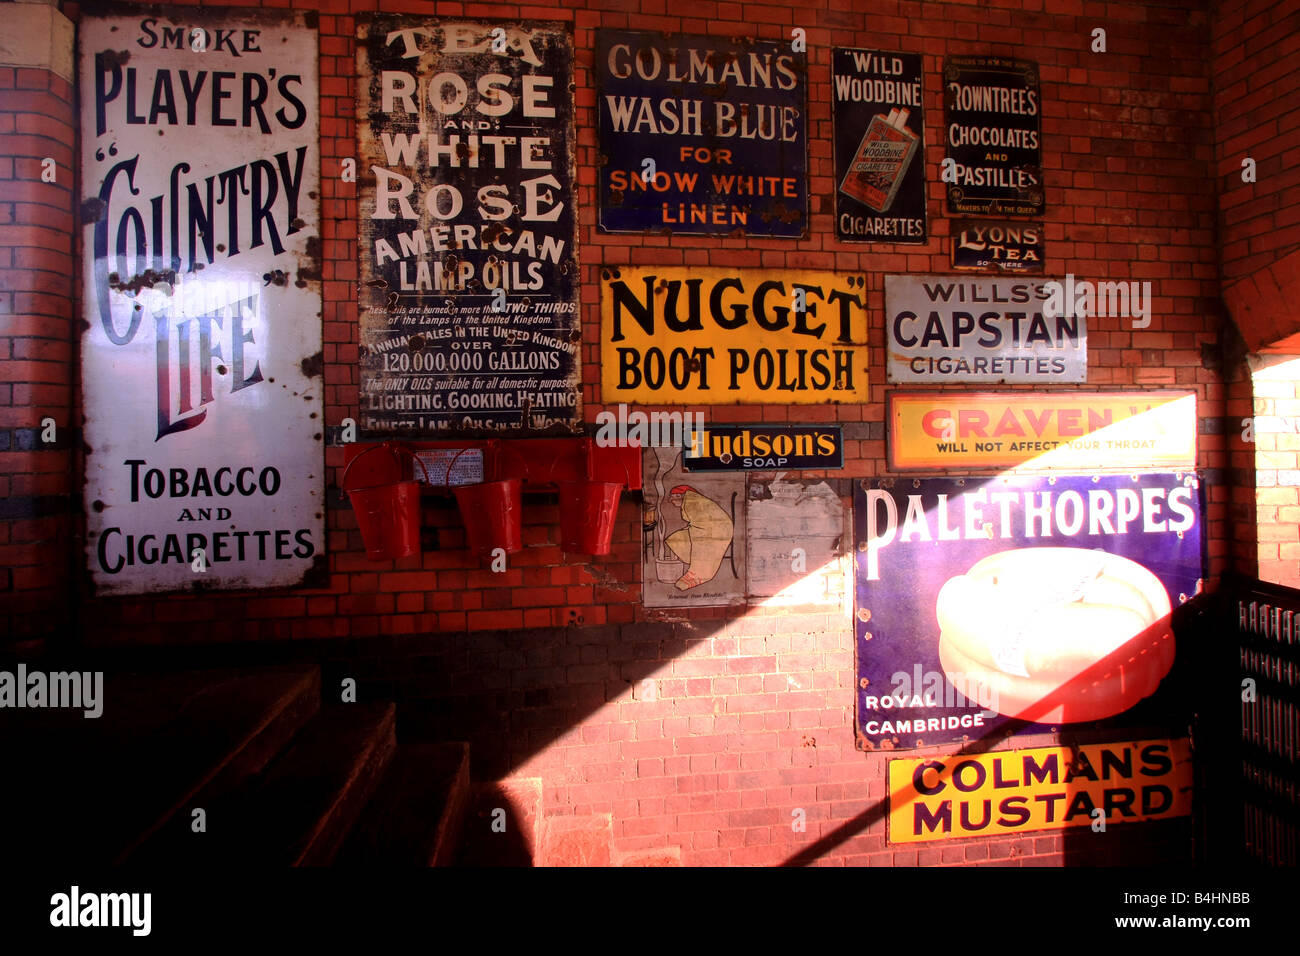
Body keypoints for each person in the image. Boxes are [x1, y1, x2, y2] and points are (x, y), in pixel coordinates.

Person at [664, 485, 733, 590]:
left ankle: (697, 574)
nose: (671, 500)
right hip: (705, 528)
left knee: (701, 544)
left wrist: (695, 534)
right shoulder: (690, 501)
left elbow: (703, 523)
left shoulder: (693, 501)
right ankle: (687, 563)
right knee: (675, 539)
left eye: (673, 497)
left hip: (717, 530)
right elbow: (698, 521)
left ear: (681, 496)